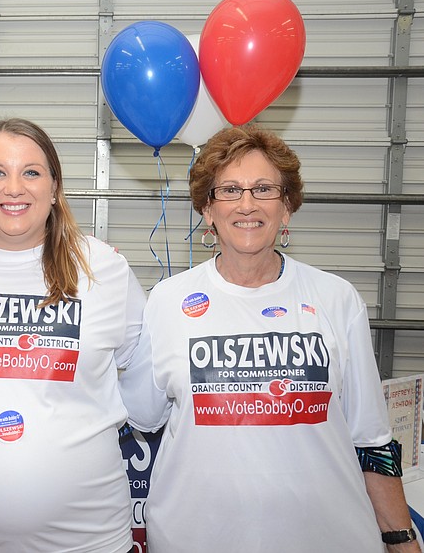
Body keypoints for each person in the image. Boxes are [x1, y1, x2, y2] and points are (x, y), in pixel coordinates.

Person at [120, 124, 421, 552]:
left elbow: (371, 440)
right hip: (197, 538)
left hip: (328, 538)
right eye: (229, 190)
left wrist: (400, 538)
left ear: (287, 208)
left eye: (264, 189)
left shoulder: (337, 299)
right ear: (207, 210)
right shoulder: (168, 301)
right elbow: (143, 416)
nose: (247, 204)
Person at [0, 118, 146, 552]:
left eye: (31, 172)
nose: (13, 188)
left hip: (87, 541)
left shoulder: (105, 270)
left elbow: (143, 385)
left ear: (54, 188)